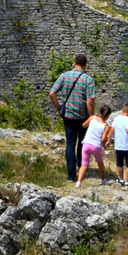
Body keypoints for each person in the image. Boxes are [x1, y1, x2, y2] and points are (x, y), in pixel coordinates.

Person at [48, 53, 97, 181]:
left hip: (68, 116)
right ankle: (81, 166)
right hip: (83, 117)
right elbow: (90, 101)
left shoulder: (64, 76)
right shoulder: (88, 80)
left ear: (74, 63)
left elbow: (52, 93)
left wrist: (58, 108)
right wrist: (91, 116)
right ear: (85, 65)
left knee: (70, 144)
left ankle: (71, 175)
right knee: (82, 142)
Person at [78, 102, 111, 184]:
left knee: (84, 164)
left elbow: (83, 125)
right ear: (108, 116)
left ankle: (78, 182)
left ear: (99, 112)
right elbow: (103, 139)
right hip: (96, 146)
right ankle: (103, 179)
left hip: (86, 144)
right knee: (100, 163)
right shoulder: (106, 126)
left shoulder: (92, 118)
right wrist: (104, 146)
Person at [109, 101, 128, 187]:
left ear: (122, 111)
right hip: (127, 146)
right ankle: (127, 181)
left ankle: (121, 179)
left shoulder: (117, 118)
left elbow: (112, 130)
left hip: (118, 145)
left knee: (119, 163)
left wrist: (109, 140)